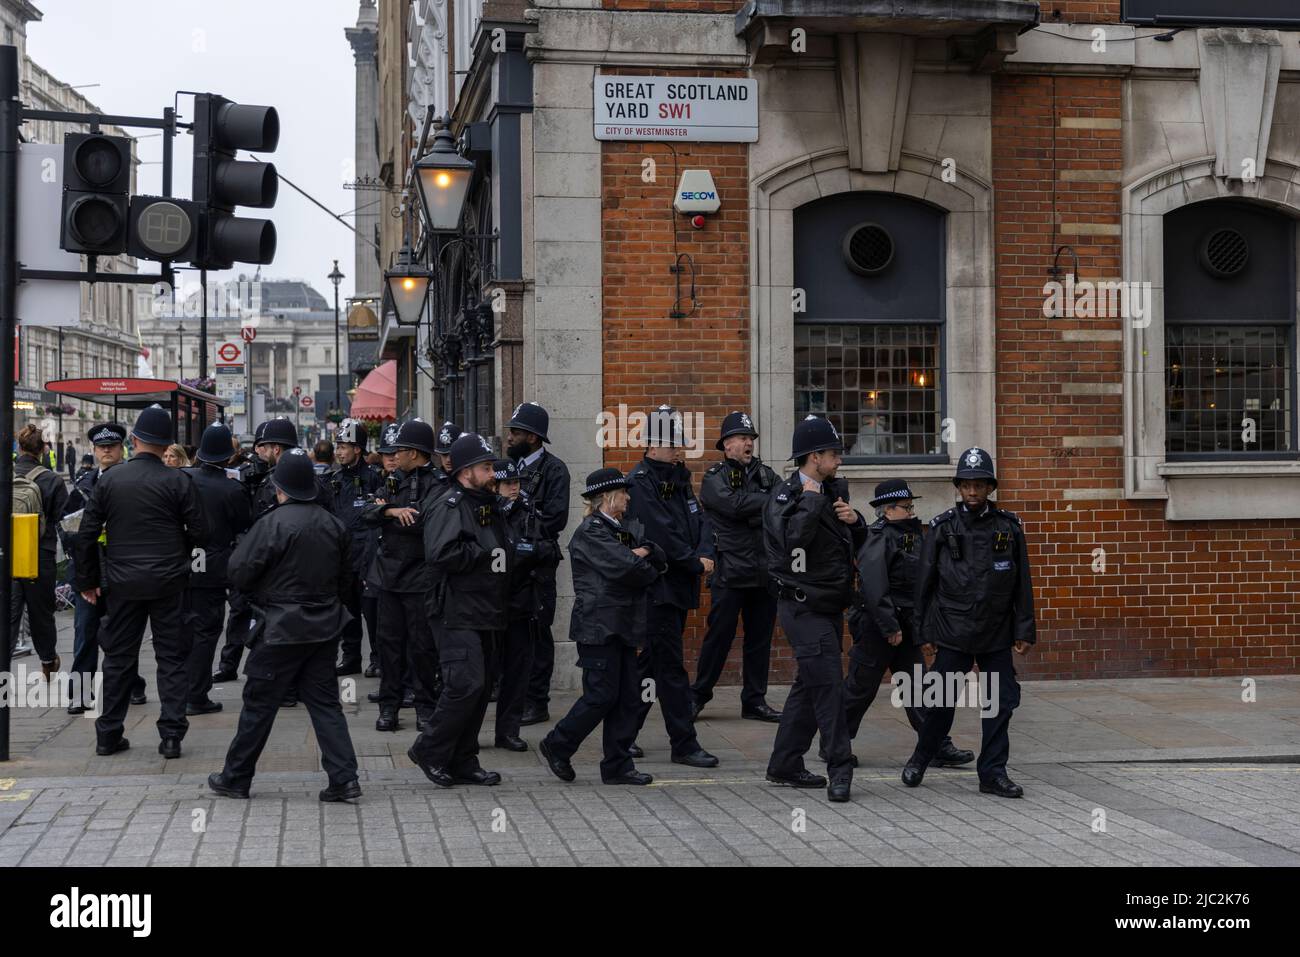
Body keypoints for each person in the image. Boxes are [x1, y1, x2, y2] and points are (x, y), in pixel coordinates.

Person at [207, 448, 361, 802]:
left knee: (259, 704)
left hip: (279, 628)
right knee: (325, 705)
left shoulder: (272, 523)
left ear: (279, 488)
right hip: (323, 627)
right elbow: (345, 577)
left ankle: (235, 776)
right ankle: (344, 778)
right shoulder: (333, 524)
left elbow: (240, 570)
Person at [903, 447, 1036, 798]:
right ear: (958, 487)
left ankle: (992, 773)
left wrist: (1024, 629)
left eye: (979, 485)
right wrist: (924, 633)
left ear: (990, 487)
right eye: (966, 485)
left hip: (995, 631)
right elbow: (925, 585)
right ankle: (922, 756)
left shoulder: (1008, 527)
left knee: (999, 704)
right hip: (952, 629)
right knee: (939, 702)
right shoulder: (943, 527)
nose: (973, 492)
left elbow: (1023, 582)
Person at [75, 405, 206, 759]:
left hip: (122, 584)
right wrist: (179, 553)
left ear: (133, 441)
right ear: (166, 444)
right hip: (168, 583)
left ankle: (108, 734)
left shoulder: (111, 480)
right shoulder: (179, 480)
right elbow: (200, 532)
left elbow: (86, 536)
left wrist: (88, 581)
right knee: (172, 659)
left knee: (118, 659)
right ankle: (171, 736)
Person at [828, 479, 973, 768]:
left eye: (911, 506)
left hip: (906, 626)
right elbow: (873, 585)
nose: (911, 511)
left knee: (919, 687)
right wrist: (889, 626)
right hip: (878, 626)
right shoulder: (879, 537)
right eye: (906, 507)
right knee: (860, 689)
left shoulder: (912, 536)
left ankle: (936, 745)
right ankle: (834, 744)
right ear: (888, 510)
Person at [539, 468, 666, 786]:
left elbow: (657, 556)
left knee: (627, 697)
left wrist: (645, 552)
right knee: (600, 696)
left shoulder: (622, 530)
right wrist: (641, 558)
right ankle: (558, 743)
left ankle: (617, 766)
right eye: (623, 493)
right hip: (599, 626)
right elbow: (630, 569)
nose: (628, 497)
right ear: (608, 497)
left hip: (623, 624)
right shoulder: (591, 532)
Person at [763, 414, 864, 803]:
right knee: (830, 688)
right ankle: (841, 768)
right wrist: (811, 499)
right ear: (813, 457)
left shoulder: (835, 490)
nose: (839, 461)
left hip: (830, 604)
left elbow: (851, 545)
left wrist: (856, 523)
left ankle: (785, 763)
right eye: (833, 454)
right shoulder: (785, 497)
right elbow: (791, 546)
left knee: (809, 686)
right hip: (801, 606)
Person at [406, 432, 508, 788]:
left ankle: (464, 759)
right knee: (465, 684)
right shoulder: (450, 504)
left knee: (480, 689)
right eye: (486, 467)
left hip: (484, 607)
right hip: (454, 607)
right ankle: (429, 749)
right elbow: (442, 553)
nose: (492, 472)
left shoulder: (484, 502)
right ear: (466, 472)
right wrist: (486, 556)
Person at [624, 405, 719, 769]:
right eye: (671, 444)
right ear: (651, 444)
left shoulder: (678, 479)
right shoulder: (640, 482)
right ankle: (684, 743)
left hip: (676, 587)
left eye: (680, 444)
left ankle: (622, 733)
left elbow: (700, 520)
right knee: (671, 670)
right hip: (658, 588)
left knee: (650, 667)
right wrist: (694, 561)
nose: (679, 450)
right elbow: (660, 531)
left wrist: (706, 551)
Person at [693, 411, 782, 723]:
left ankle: (754, 701)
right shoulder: (714, 477)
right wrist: (763, 503)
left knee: (760, 640)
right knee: (719, 637)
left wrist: (755, 504)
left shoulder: (769, 475)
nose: (748, 444)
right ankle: (699, 696)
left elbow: (781, 509)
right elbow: (731, 505)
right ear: (726, 445)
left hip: (764, 571)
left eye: (751, 439)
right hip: (730, 571)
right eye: (742, 438)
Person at [361, 419, 444, 732]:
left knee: (422, 649)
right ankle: (389, 707)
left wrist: (389, 515)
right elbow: (366, 513)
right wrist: (389, 512)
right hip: (389, 577)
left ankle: (425, 706)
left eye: (400, 450)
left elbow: (424, 523)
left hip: (420, 577)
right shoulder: (392, 480)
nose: (394, 455)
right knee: (388, 647)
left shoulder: (438, 483)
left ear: (414, 452)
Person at [61, 423, 146, 713]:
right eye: (101, 447)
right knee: (85, 634)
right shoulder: (84, 484)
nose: (106, 450)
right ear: (95, 451)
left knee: (123, 634)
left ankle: (132, 685)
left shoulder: (133, 481)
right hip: (88, 574)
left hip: (122, 570)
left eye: (111, 446)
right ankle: (80, 694)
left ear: (122, 448)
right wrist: (85, 574)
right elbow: (67, 529)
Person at [506, 403, 572, 727]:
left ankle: (537, 701)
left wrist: (521, 506)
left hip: (538, 564)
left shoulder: (554, 470)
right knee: (513, 634)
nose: (510, 437)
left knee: (538, 633)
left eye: (515, 432)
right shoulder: (506, 467)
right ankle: (513, 695)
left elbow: (555, 519)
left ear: (532, 437)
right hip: (510, 562)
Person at [182, 423, 254, 715]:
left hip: (181, 564)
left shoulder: (183, 478)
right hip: (213, 568)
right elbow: (242, 525)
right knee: (206, 632)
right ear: (228, 456)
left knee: (181, 631)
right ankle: (196, 695)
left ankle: (180, 689)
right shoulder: (232, 488)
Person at [493, 459, 560, 751]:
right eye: (507, 484)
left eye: (516, 483)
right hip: (489, 603)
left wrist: (524, 551)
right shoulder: (484, 511)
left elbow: (550, 550)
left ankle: (508, 730)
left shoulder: (529, 511)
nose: (513, 489)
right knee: (483, 674)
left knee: (518, 671)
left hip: (521, 603)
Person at [9, 425, 68, 679]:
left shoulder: (6, 475)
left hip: (9, 554)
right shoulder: (53, 480)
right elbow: (61, 520)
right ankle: (47, 662)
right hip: (40, 553)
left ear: (19, 448)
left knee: (9, 613)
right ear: (43, 450)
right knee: (41, 613)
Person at [327, 419, 383, 676]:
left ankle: (377, 658)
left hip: (367, 557)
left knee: (372, 612)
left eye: (343, 446)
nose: (338, 451)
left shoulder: (373, 478)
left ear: (357, 449)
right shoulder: (334, 479)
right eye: (337, 446)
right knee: (347, 611)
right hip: (343, 557)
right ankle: (350, 657)